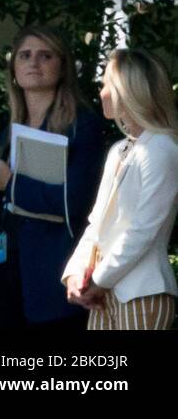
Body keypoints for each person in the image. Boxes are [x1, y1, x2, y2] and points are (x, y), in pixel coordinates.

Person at [0, 24, 107, 330]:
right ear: (14, 70)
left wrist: (9, 183)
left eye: (46, 55)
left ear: (62, 68)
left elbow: (76, 205)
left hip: (56, 278)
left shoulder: (82, 127)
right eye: (25, 55)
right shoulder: (10, 130)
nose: (34, 62)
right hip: (7, 272)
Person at [63, 48, 178, 330]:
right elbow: (97, 223)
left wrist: (98, 280)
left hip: (142, 292)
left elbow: (144, 229)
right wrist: (75, 274)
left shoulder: (162, 148)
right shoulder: (120, 149)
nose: (101, 92)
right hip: (107, 294)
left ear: (127, 90)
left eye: (105, 84)